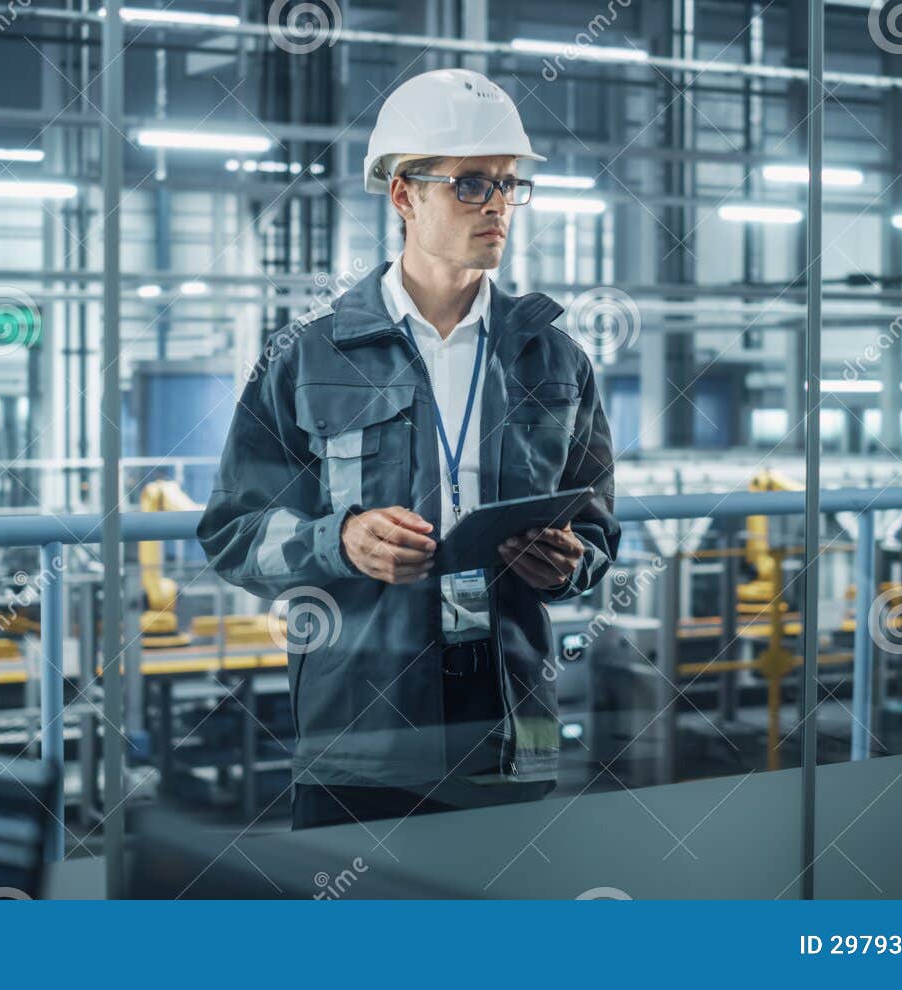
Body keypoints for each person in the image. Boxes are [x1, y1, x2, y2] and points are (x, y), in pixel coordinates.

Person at [197, 68, 619, 830]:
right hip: (361, 736)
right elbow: (233, 533)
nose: (495, 204)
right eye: (470, 184)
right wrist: (341, 539)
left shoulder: (554, 361)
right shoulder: (309, 357)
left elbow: (596, 532)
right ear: (404, 196)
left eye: (507, 185)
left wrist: (570, 562)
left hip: (510, 728)